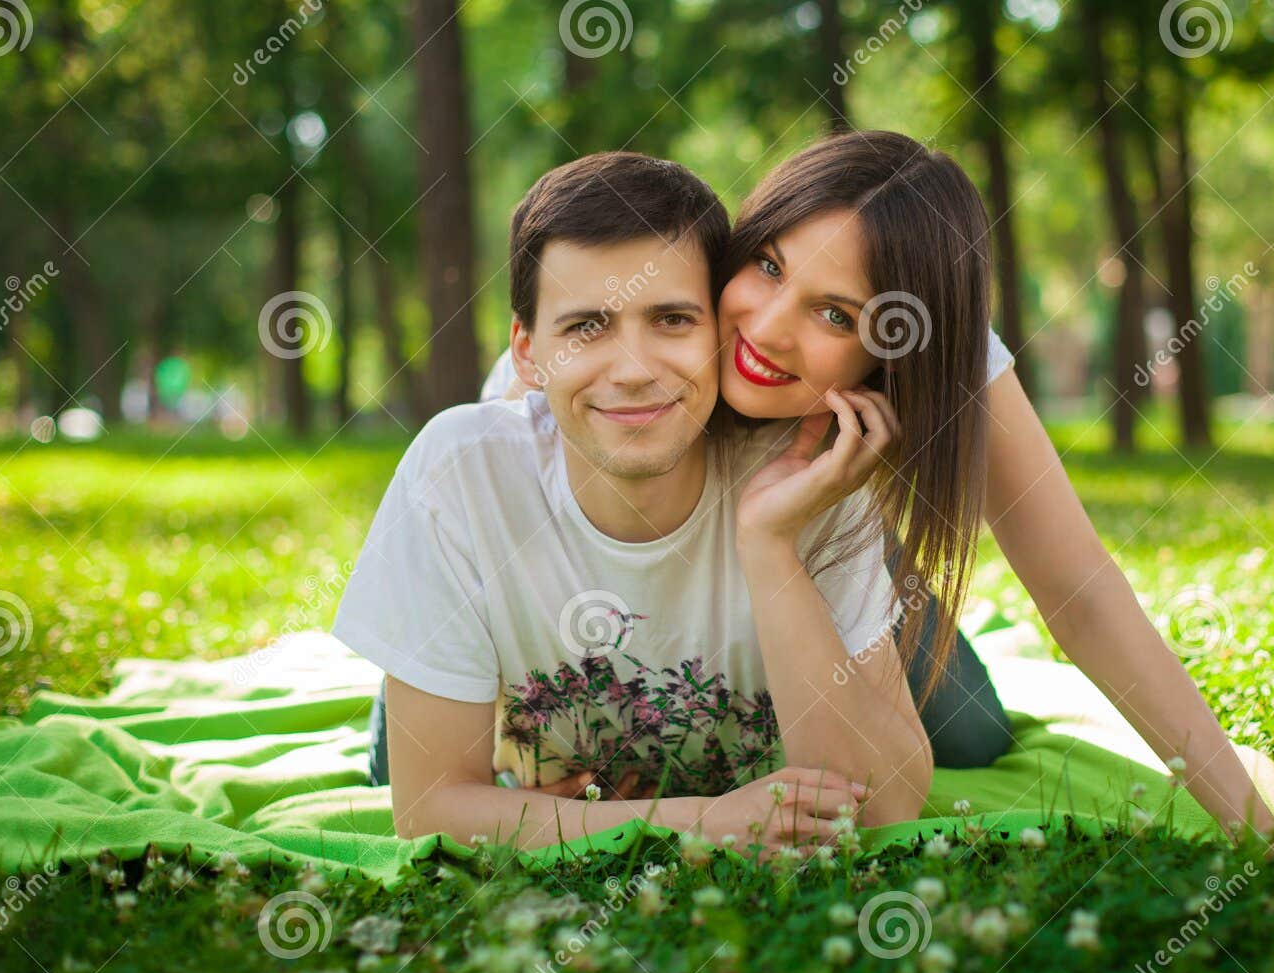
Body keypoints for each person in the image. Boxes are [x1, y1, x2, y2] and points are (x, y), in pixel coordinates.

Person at [482, 129, 1274, 849]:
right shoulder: (609, 356)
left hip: (827, 572)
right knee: (420, 745)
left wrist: (1253, 825)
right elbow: (498, 569)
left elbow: (1079, 593)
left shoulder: (945, 353)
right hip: (582, 620)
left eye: (838, 316)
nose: (766, 328)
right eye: (766, 265)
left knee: (970, 732)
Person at [332, 151, 934, 854]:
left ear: (719, 331)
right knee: (397, 756)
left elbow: (887, 808)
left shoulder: (805, 471)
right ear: (527, 351)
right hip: (484, 678)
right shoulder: (461, 469)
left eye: (673, 319)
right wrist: (701, 821)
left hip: (835, 613)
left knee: (972, 727)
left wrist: (770, 545)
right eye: (587, 326)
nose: (634, 369)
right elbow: (433, 810)